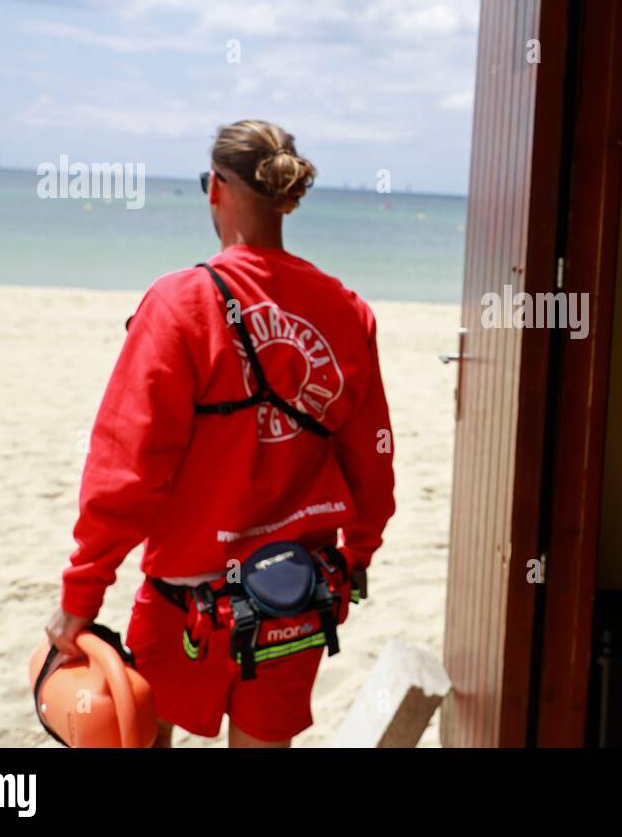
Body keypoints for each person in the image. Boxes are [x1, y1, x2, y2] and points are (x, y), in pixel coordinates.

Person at [45, 120, 395, 748]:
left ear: (216, 189)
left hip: (187, 597)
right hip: (298, 593)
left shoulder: (180, 303)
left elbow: (127, 467)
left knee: (133, 734)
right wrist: (359, 555)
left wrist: (83, 592)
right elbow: (373, 456)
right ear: (286, 197)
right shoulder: (347, 310)